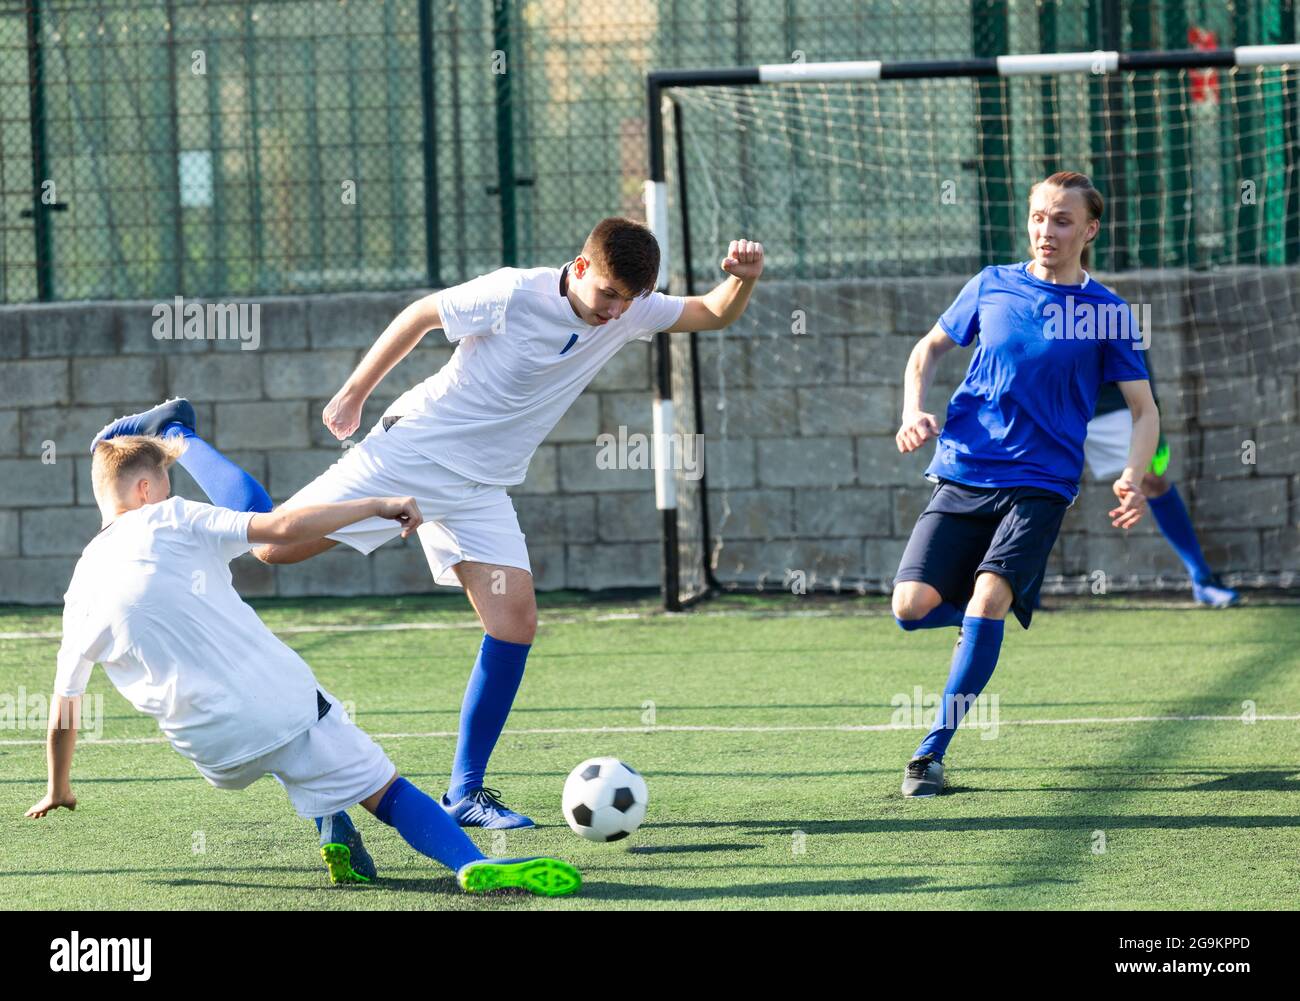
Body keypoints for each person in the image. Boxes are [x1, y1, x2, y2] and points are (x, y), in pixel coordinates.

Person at [93, 218, 765, 829]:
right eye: (610, 295)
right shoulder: (513, 292)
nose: (617, 312)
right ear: (582, 267)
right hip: (412, 455)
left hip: (478, 488)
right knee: (273, 545)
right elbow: (420, 315)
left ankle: (466, 792)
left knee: (514, 621)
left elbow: (710, 311)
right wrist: (355, 390)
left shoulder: (631, 306)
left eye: (629, 301)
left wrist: (742, 280)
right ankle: (179, 435)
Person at [26, 434, 581, 897]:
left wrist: (59, 786)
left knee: (297, 753)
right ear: (146, 489)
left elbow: (63, 707)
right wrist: (374, 504)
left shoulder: (79, 590)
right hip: (279, 710)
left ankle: (333, 826)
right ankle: (468, 860)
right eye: (166, 482)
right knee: (378, 783)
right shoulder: (167, 517)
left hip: (209, 750)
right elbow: (280, 525)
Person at [891, 171, 1157, 797]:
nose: (1047, 230)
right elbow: (926, 350)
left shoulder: (1109, 313)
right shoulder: (991, 284)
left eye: (1063, 220)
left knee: (986, 603)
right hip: (963, 470)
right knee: (909, 611)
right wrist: (913, 411)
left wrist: (1133, 477)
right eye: (1039, 216)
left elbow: (1145, 411)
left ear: (1089, 230)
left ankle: (929, 755)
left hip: (1041, 484)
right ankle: (985, 623)